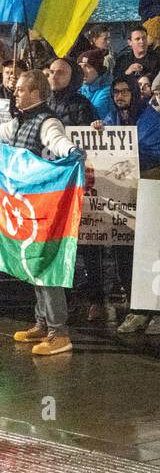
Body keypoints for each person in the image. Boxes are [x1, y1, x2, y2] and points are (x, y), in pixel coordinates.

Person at [5, 70, 86, 357]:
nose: (16, 93)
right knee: (32, 266)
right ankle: (42, 322)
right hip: (24, 208)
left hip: (43, 208)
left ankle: (59, 332)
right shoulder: (17, 122)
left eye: (21, 90)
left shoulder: (47, 121)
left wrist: (72, 150)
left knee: (46, 268)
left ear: (36, 92)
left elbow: (56, 140)